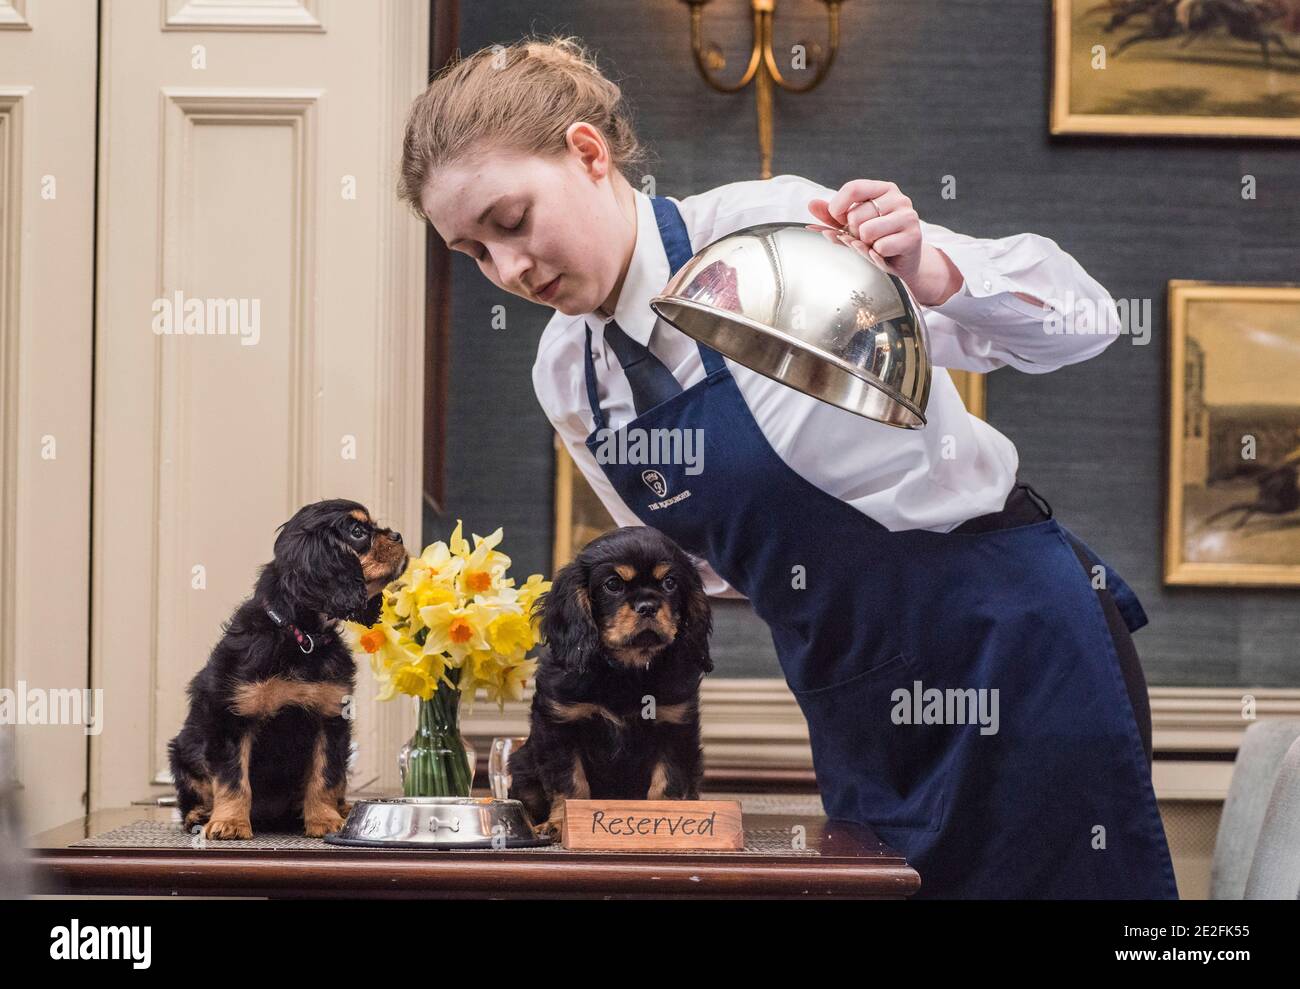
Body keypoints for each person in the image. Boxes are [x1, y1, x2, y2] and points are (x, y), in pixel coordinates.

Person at [399, 34, 1178, 900]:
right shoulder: (568, 375)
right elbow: (697, 570)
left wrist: (926, 270)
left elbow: (1088, 318)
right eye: (473, 253)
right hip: (852, 695)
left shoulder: (766, 232)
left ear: (587, 153)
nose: (509, 268)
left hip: (1011, 647)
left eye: (511, 222)